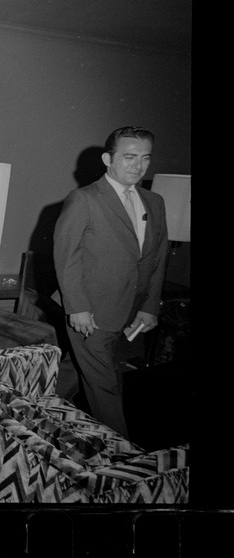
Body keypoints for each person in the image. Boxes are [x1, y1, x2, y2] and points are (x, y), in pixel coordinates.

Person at [53, 126, 169, 438]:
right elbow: (67, 258)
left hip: (127, 310)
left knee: (77, 369)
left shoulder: (154, 202)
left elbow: (157, 259)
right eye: (129, 157)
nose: (138, 165)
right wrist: (77, 308)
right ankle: (121, 453)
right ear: (108, 159)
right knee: (105, 384)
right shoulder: (84, 199)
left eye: (145, 158)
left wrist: (149, 307)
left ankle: (33, 407)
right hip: (90, 311)